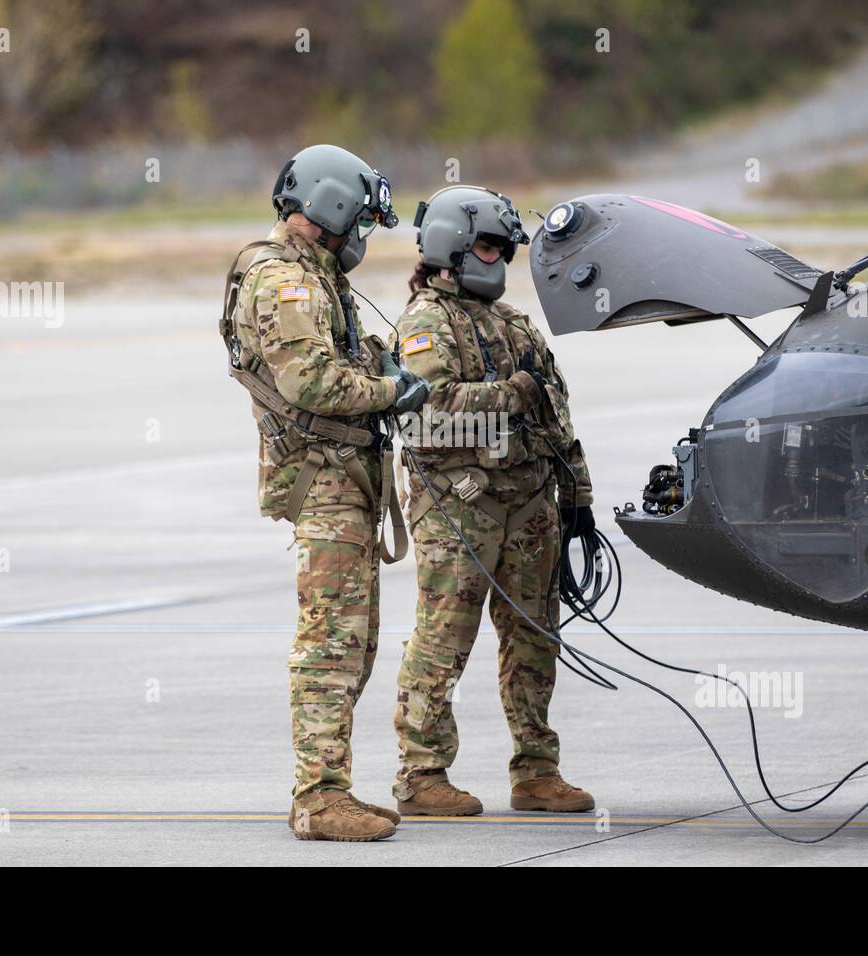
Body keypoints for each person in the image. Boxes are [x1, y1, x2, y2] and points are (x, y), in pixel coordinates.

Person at [219, 144, 429, 841]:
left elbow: (339, 357)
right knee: (331, 645)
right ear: (332, 208)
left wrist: (381, 363)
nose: (363, 236)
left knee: (354, 642)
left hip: (345, 478)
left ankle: (331, 785)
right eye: (361, 220)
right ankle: (317, 799)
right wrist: (393, 392)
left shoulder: (314, 280)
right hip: (324, 482)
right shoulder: (286, 282)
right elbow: (312, 384)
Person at [389, 185, 596, 816]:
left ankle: (536, 770)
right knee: (445, 636)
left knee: (536, 637)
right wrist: (513, 393)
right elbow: (432, 407)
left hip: (529, 498)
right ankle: (422, 775)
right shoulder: (426, 321)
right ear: (451, 247)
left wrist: (577, 495)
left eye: (505, 249)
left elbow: (556, 411)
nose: (498, 259)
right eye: (487, 246)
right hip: (461, 504)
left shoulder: (511, 323)